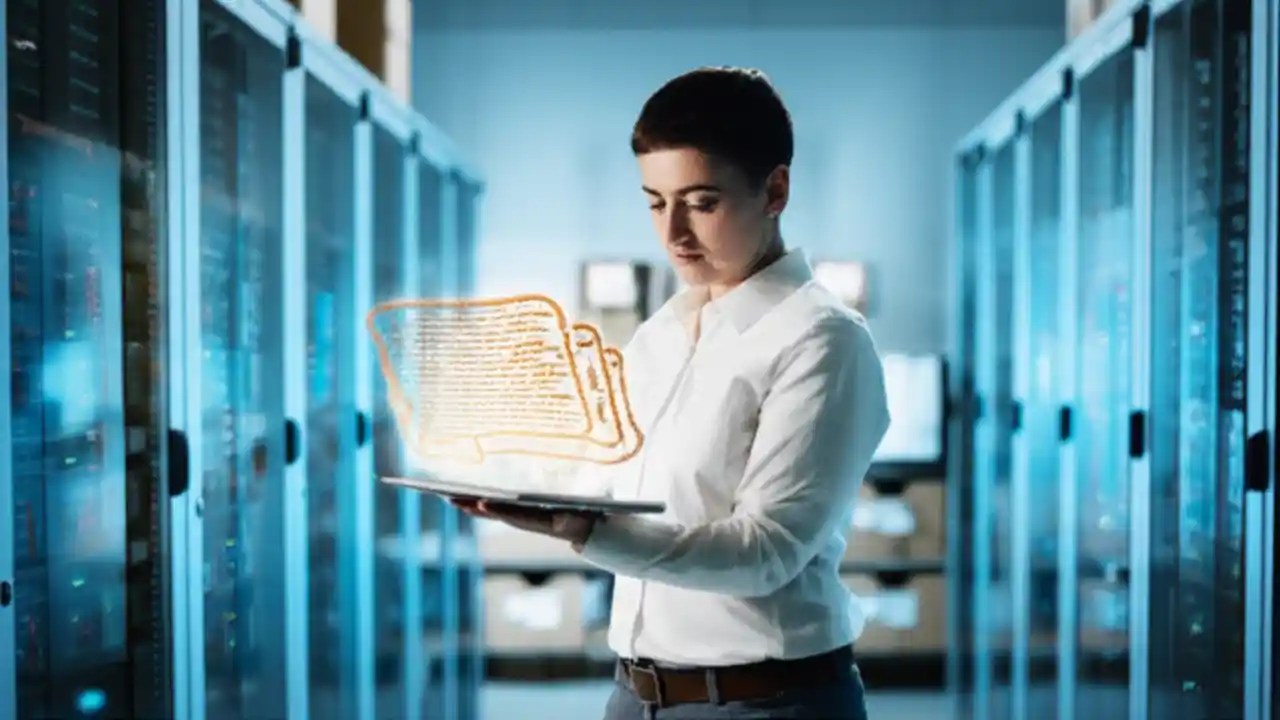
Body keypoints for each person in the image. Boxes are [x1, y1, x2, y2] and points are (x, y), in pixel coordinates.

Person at [454, 66, 890, 720]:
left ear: (775, 191)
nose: (673, 233)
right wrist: (523, 473)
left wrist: (587, 533)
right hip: (635, 696)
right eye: (656, 203)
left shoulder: (822, 340)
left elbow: (765, 551)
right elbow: (621, 486)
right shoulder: (663, 334)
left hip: (766, 702)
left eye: (702, 202)